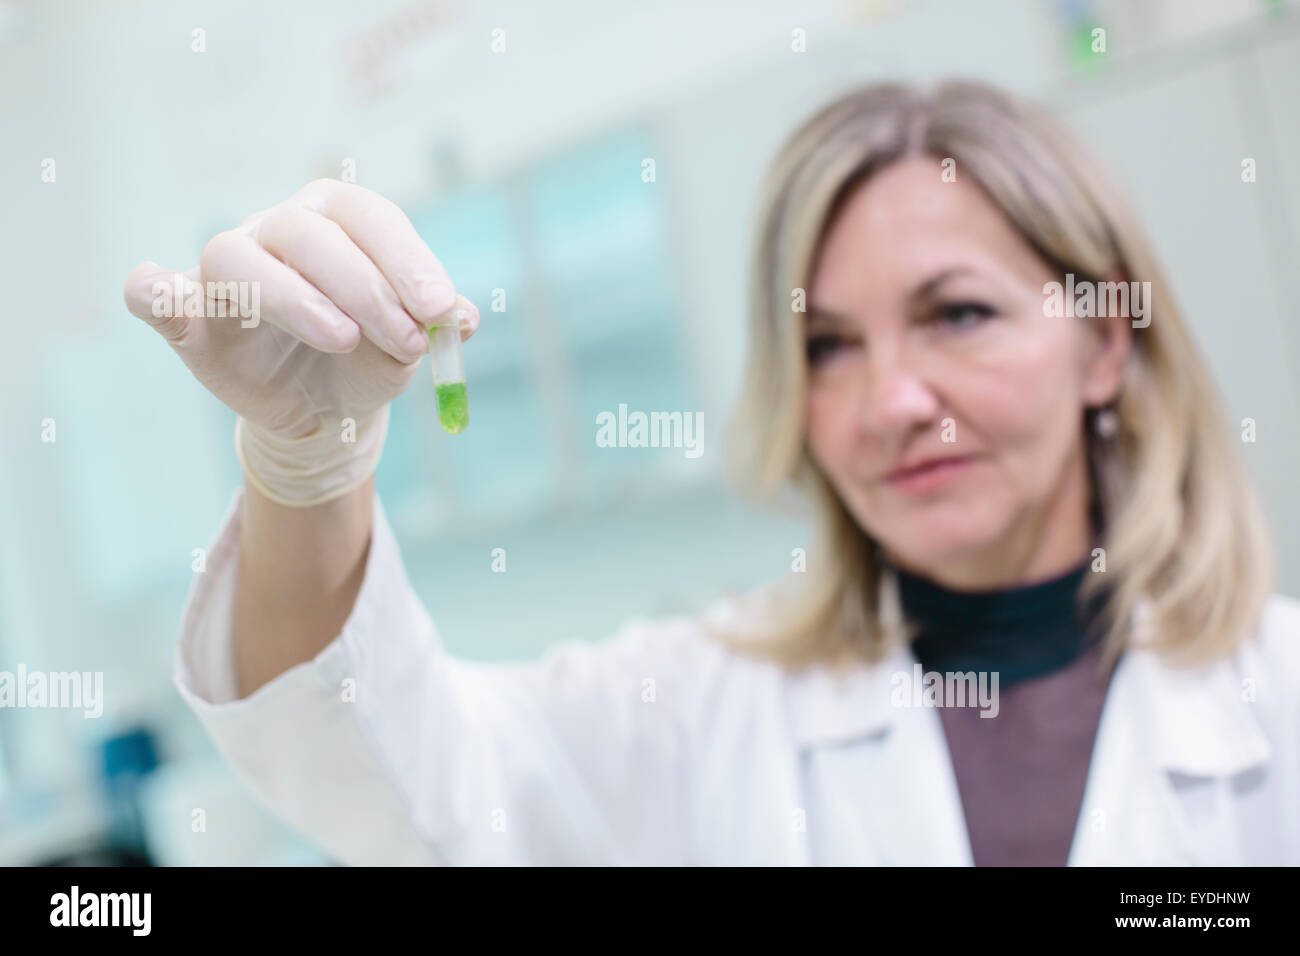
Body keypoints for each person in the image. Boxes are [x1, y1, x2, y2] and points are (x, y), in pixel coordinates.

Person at [123, 80, 1300, 866]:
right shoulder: (699, 709)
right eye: (828, 344)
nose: (890, 401)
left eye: (958, 314)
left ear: (1103, 340)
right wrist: (308, 466)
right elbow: (408, 781)